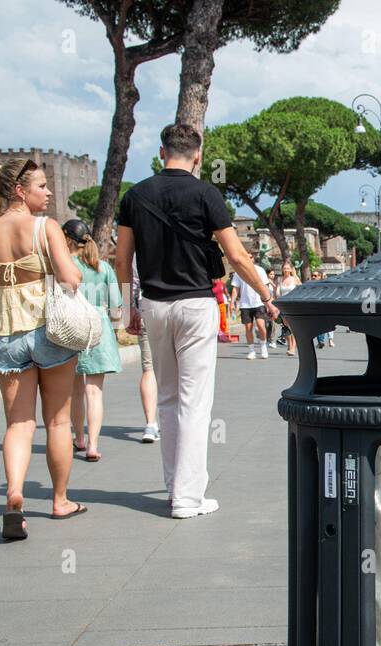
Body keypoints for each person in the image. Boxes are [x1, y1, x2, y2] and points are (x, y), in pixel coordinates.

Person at [115, 122, 277, 519]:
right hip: (195, 305)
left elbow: (121, 259)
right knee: (195, 402)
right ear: (198, 156)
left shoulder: (134, 196)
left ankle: (175, 487)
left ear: (160, 152)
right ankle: (188, 498)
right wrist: (267, 294)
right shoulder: (206, 194)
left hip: (153, 304)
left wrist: (126, 308)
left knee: (168, 398)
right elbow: (237, 257)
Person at [0, 156, 87, 540]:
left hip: (5, 331)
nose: (49, 191)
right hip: (48, 329)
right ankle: (59, 500)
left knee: (19, 423)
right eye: (42, 186)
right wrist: (70, 268)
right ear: (20, 191)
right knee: (57, 420)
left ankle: (14, 493)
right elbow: (70, 277)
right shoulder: (45, 227)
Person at [63, 219, 122, 463]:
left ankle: (78, 438)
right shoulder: (104, 268)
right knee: (94, 392)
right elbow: (117, 307)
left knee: (75, 391)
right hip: (99, 328)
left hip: (71, 328)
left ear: (67, 239)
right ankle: (93, 445)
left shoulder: (63, 266)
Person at [129, 252, 159, 443]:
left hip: (148, 308)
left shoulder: (140, 243)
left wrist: (127, 313)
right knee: (179, 369)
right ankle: (177, 421)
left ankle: (150, 424)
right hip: (183, 309)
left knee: (148, 369)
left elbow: (129, 277)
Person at [232, 260, 270, 360]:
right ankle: (252, 351)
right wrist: (232, 302)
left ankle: (263, 346)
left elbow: (265, 286)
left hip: (259, 302)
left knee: (261, 326)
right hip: (245, 304)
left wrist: (268, 302)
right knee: (248, 328)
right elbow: (236, 288)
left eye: (250, 256)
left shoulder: (260, 270)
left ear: (253, 258)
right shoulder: (238, 271)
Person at [276, 262, 300, 354]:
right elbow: (277, 293)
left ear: (290, 269)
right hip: (283, 305)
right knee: (286, 326)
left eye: (287, 268)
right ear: (282, 269)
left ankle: (293, 347)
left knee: (292, 326)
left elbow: (301, 290)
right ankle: (290, 344)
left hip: (293, 305)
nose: (286, 270)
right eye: (284, 268)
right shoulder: (280, 279)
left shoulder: (295, 279)